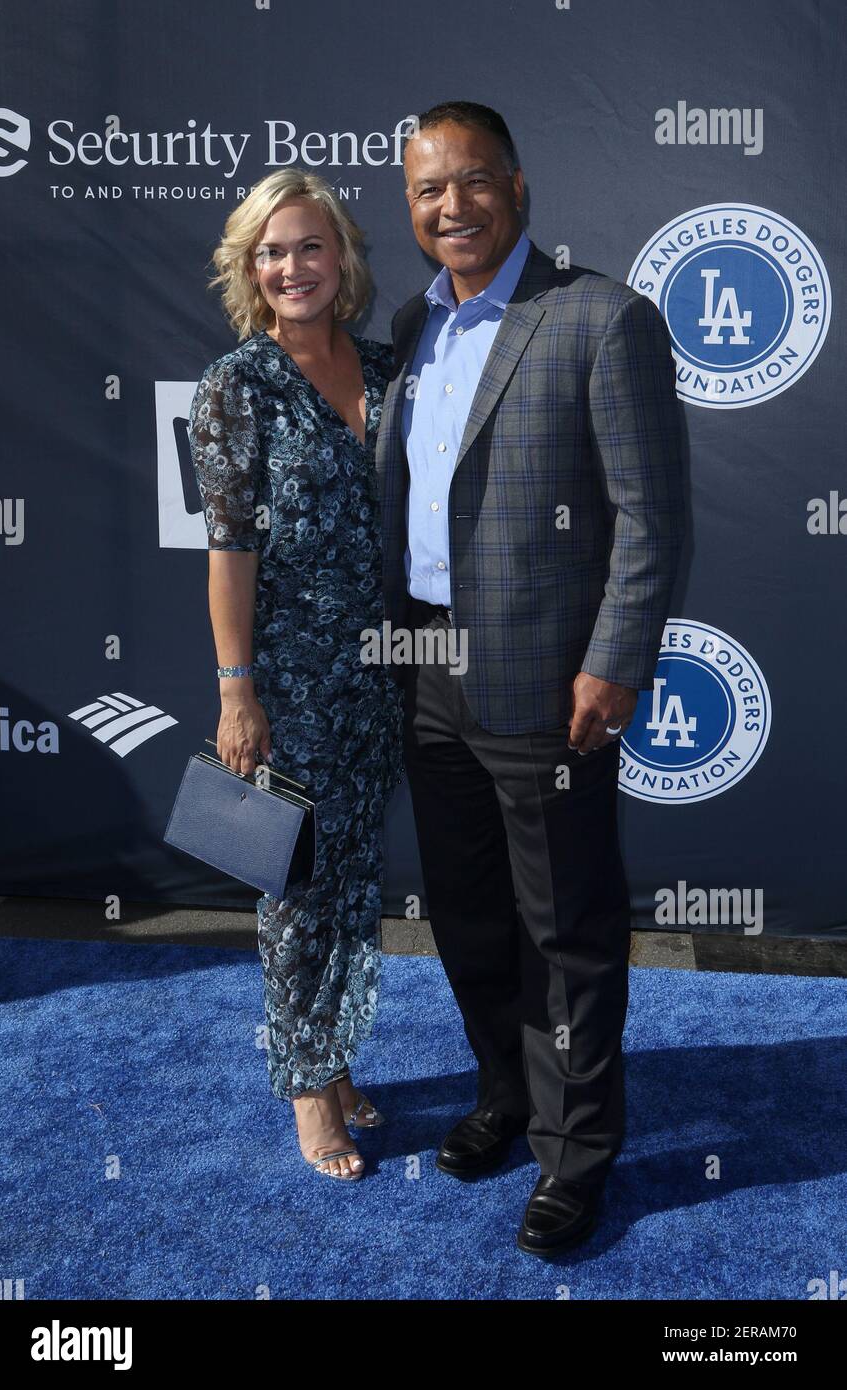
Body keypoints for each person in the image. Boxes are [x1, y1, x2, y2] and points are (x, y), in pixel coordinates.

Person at [375, 101, 686, 1253]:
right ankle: (504, 1094)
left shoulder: (601, 318)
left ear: (515, 184)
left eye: (467, 183)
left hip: (547, 683)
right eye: (424, 192)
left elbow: (651, 521)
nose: (447, 206)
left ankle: (573, 1156)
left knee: (565, 924)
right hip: (422, 667)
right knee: (466, 913)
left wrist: (612, 662)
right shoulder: (412, 327)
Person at [188, 169, 404, 1181]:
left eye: (309, 246)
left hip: (384, 678)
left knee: (354, 881)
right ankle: (306, 1090)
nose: (291, 267)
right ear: (249, 268)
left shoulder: (385, 365)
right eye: (270, 251)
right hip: (289, 683)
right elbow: (229, 549)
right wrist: (238, 689)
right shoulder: (237, 384)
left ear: (343, 258)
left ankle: (336, 1052)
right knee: (295, 887)